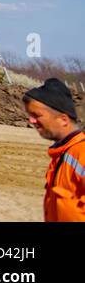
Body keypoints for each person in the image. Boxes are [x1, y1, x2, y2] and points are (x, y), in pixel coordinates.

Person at [22, 78, 85, 222]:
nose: (31, 121)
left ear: (63, 119)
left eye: (36, 115)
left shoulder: (81, 154)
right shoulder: (61, 154)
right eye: (30, 115)